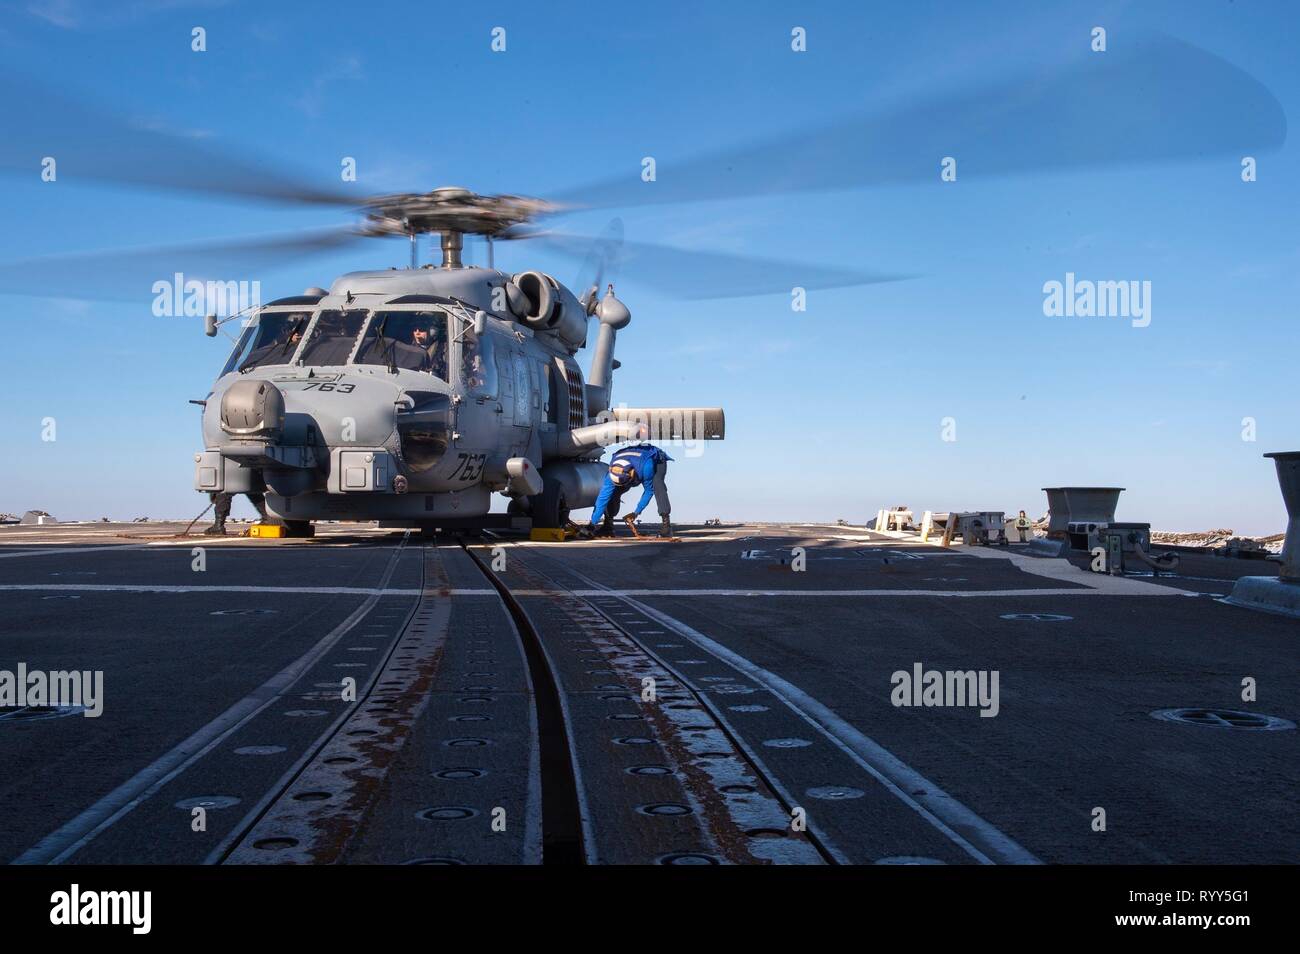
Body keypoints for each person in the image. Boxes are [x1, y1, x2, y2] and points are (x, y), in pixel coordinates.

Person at [585, 443, 674, 538]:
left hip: (653, 459)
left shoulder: (647, 467)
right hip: (631, 461)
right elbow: (602, 498)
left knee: (657, 485)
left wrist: (636, 513)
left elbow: (649, 491)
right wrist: (592, 525)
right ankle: (608, 526)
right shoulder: (611, 474)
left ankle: (666, 526)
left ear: (632, 475)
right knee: (613, 492)